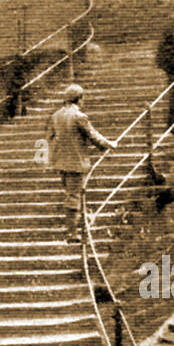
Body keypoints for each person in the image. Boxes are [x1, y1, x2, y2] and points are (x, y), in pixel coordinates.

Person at [46, 83, 114, 241]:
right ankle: (72, 233)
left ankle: (78, 228)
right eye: (82, 98)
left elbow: (50, 137)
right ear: (79, 99)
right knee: (74, 196)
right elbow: (92, 134)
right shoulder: (79, 116)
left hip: (61, 162)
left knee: (71, 194)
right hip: (75, 162)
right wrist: (108, 144)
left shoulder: (56, 115)